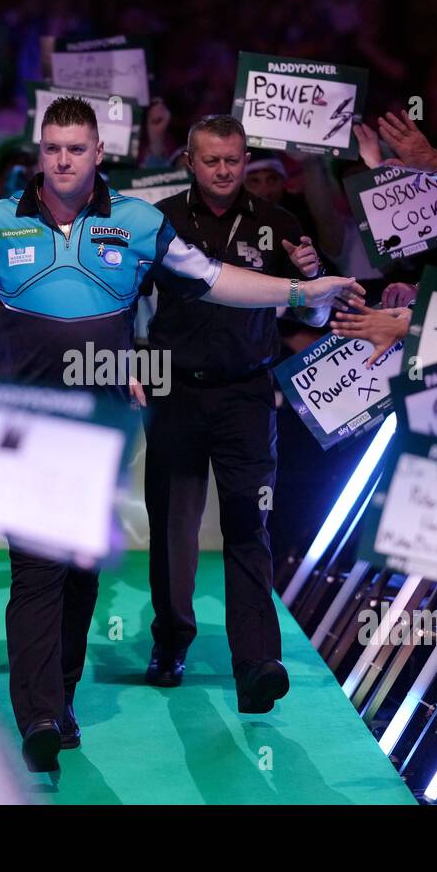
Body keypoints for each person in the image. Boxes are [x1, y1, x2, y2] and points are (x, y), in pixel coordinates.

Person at [0, 96, 362, 772]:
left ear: (97, 155)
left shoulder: (140, 224)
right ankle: (39, 715)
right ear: (39, 151)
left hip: (97, 433)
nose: (63, 159)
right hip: (19, 429)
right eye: (52, 147)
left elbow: (217, 281)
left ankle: (59, 695)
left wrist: (300, 292)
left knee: (79, 572)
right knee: (35, 570)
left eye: (76, 148)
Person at [140, 114, 328, 712]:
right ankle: (171, 642)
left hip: (248, 395)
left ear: (246, 159)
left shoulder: (280, 224)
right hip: (174, 390)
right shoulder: (159, 221)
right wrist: (128, 364)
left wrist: (313, 278)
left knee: (251, 525)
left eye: (234, 159)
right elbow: (125, 299)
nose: (224, 170)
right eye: (211, 160)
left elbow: (316, 318)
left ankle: (257, 662)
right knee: (174, 528)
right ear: (189, 162)